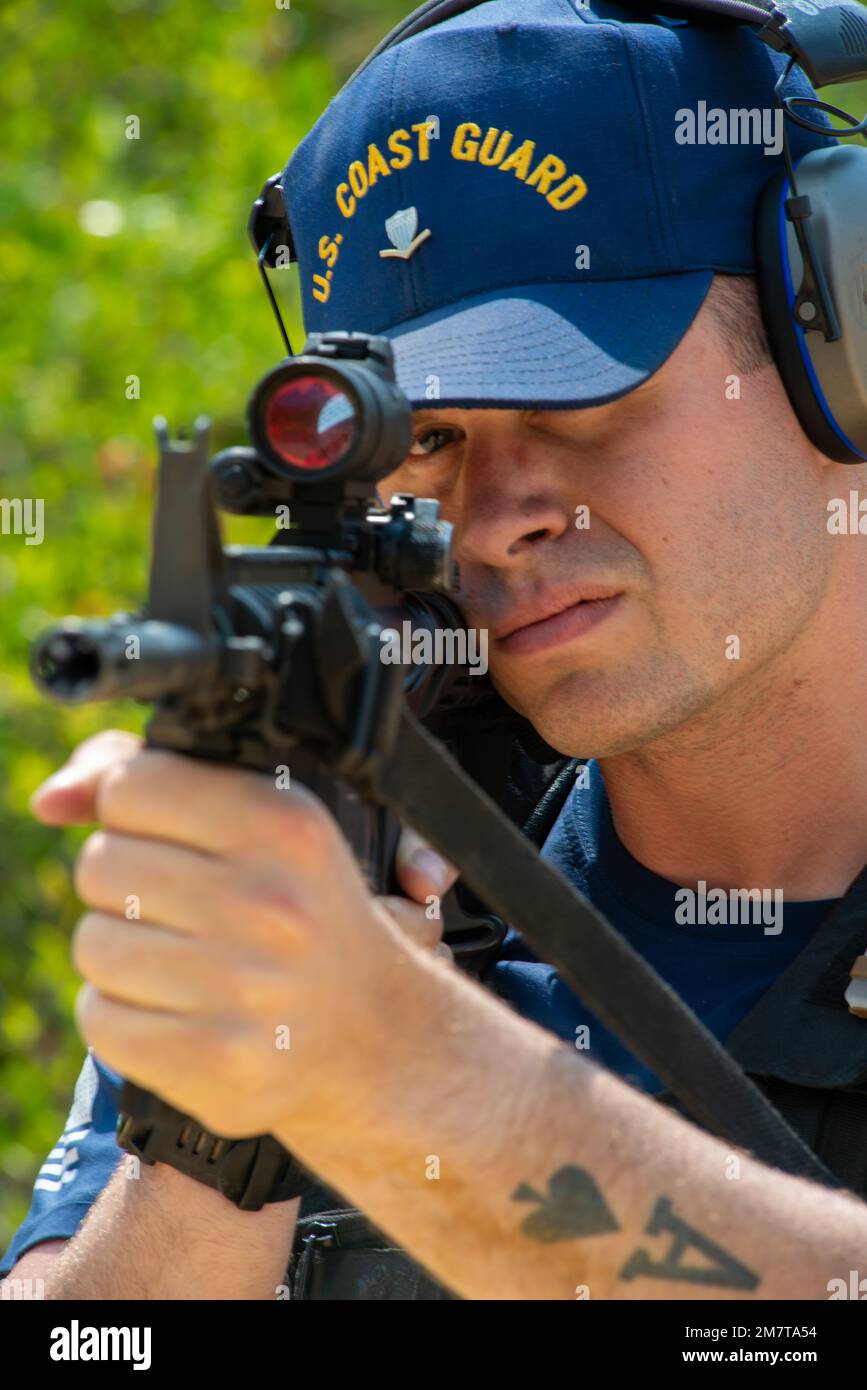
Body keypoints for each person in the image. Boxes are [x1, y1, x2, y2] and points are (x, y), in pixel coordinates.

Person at [5, 0, 867, 1301]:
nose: (497, 516)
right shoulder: (361, 843)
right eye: (433, 441)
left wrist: (418, 1084)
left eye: (580, 396)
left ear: (835, 338)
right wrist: (226, 1128)